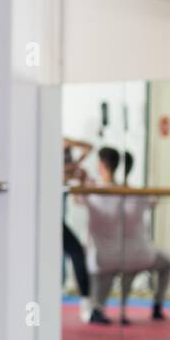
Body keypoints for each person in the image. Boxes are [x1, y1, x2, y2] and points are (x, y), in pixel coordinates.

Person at [82, 147, 170, 324]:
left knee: (115, 271)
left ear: (101, 165)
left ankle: (100, 308)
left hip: (108, 257)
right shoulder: (132, 194)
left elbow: (77, 198)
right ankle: (154, 306)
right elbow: (154, 202)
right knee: (144, 265)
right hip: (128, 255)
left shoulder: (96, 192)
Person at [63, 137, 94, 322]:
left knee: (76, 252)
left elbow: (89, 146)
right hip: (42, 219)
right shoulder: (51, 167)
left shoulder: (70, 170)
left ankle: (86, 301)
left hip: (54, 219)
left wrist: (70, 143)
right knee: (75, 251)